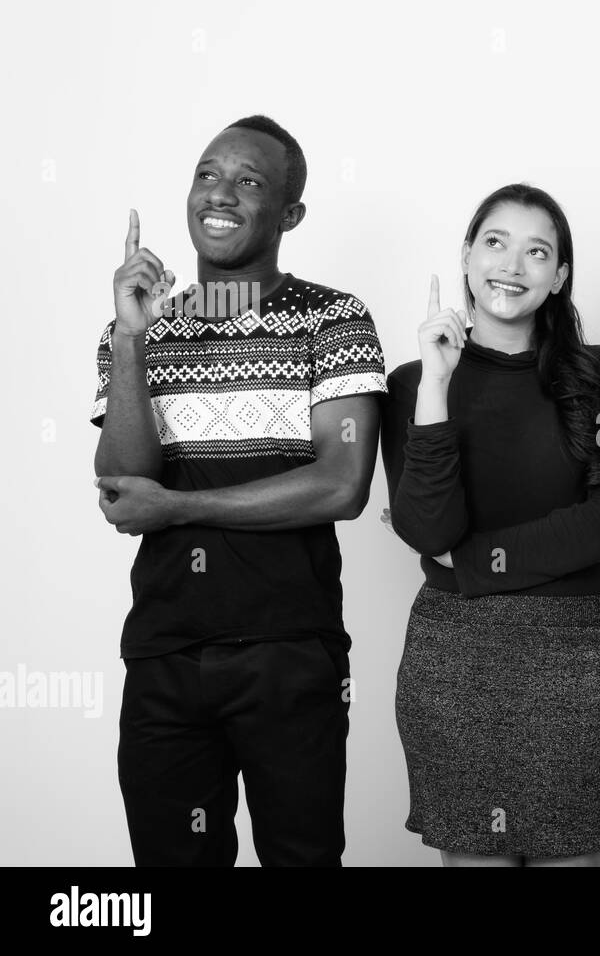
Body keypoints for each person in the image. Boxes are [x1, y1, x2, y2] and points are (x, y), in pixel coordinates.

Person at [92, 115, 388, 865]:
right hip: (166, 656)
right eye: (207, 173)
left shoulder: (334, 319)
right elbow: (124, 485)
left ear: (290, 214)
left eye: (250, 181)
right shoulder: (140, 329)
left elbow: (342, 484)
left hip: (290, 654)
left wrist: (184, 506)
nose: (220, 193)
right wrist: (131, 340)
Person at [381, 183, 600, 867]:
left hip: (579, 657)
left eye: (538, 252)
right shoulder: (411, 383)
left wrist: (472, 565)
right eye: (496, 243)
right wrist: (439, 385)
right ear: (468, 256)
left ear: (559, 276)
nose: (512, 264)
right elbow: (428, 529)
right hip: (454, 661)